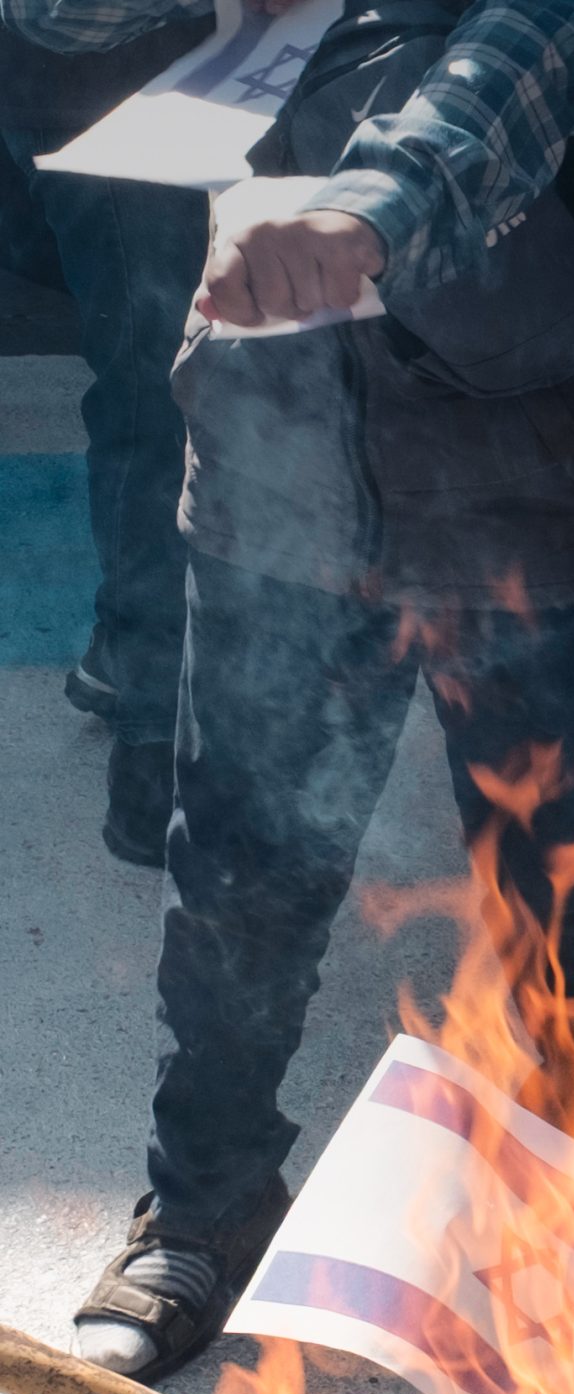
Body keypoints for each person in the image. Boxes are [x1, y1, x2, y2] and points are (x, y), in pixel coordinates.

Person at [7, 0, 574, 1384]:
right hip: (273, 421)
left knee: (570, 883)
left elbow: (564, 27)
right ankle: (205, 1199)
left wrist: (382, 201)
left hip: (525, 423)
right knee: (238, 863)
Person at [1, 14, 208, 863]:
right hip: (110, 97)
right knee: (161, 394)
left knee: (192, 380)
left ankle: (129, 650)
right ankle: (154, 752)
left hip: (204, 82)